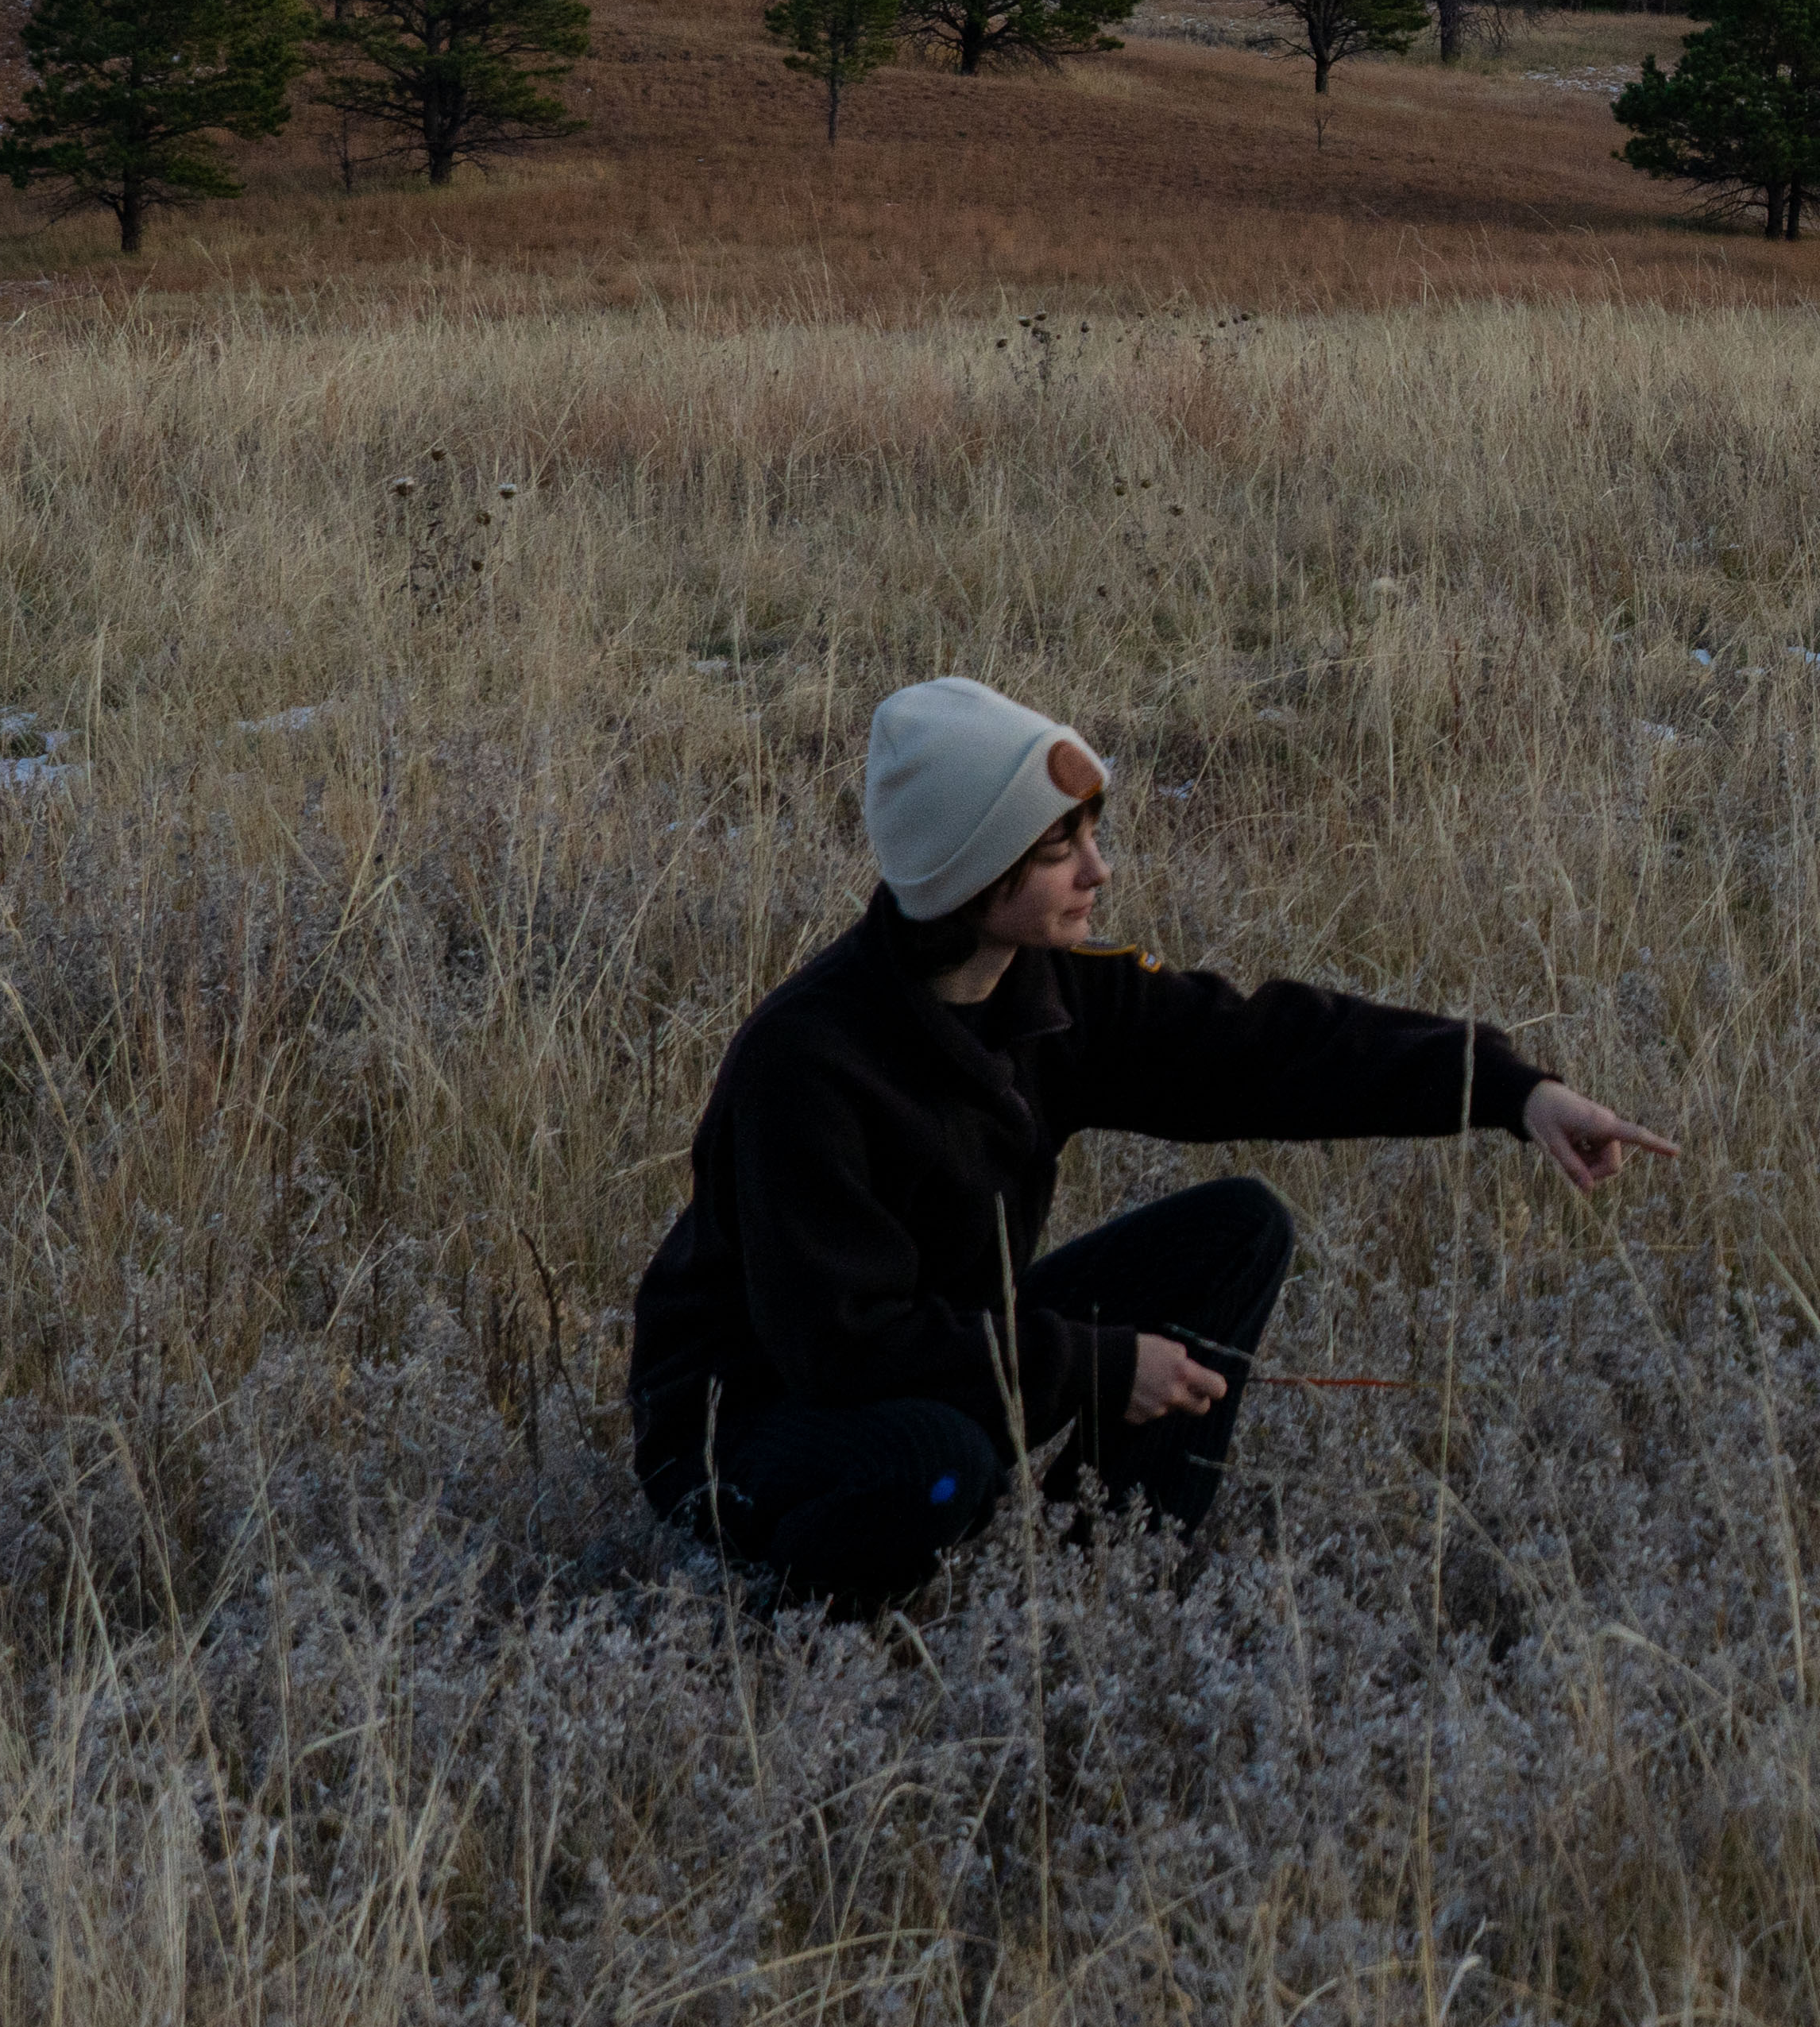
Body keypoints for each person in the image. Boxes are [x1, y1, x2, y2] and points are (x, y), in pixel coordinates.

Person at [627, 673, 1675, 1612]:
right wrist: (1095, 1366)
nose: (1100, 868)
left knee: (1238, 1232)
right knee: (938, 1466)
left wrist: (1513, 1092)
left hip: (930, 1354)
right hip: (749, 1419)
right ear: (972, 874)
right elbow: (841, 1348)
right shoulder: (806, 1064)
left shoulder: (1052, 995)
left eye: (1092, 834)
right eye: (1060, 849)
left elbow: (1267, 1050)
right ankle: (783, 1635)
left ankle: (1107, 1587)